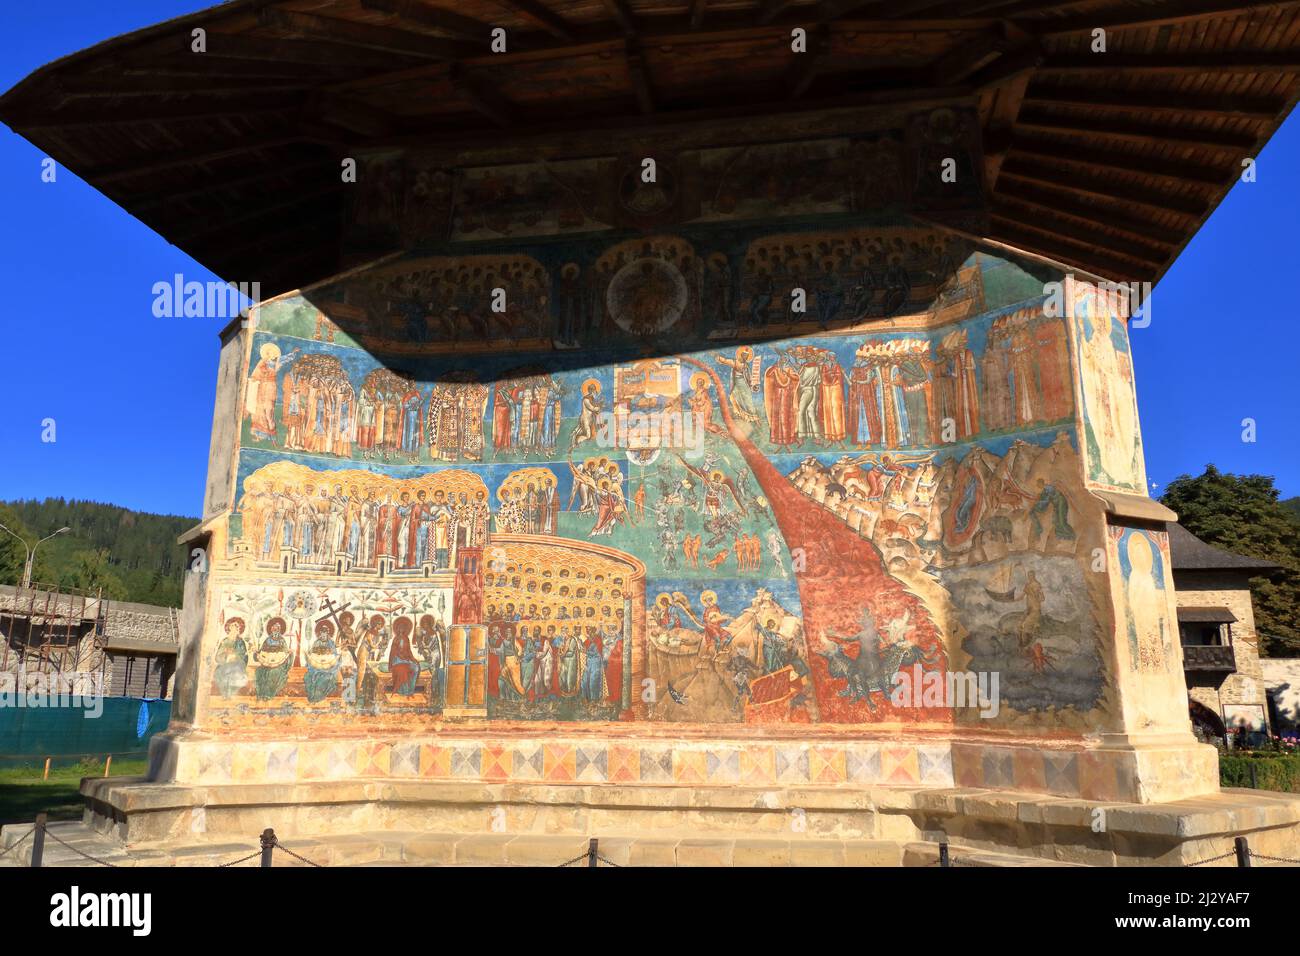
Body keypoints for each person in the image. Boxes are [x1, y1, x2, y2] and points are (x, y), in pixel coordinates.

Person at [213, 618, 249, 698]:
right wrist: (226, 656)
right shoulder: (225, 641)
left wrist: (235, 656)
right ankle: (225, 694)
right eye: (232, 627)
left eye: (236, 628)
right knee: (221, 673)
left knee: (234, 673)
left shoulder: (240, 642)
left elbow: (244, 656)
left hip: (237, 665)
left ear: (239, 630)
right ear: (229, 628)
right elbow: (217, 657)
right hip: (225, 664)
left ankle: (231, 694)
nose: (234, 629)